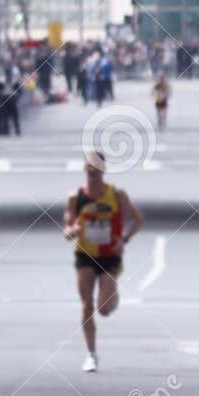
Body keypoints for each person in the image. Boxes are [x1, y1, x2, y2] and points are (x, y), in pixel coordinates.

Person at [63, 151, 145, 373]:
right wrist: (76, 229)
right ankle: (91, 354)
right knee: (87, 304)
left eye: (97, 167)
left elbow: (137, 219)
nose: (93, 171)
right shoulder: (76, 197)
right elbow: (66, 231)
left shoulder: (116, 194)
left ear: (104, 169)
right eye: (89, 167)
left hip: (109, 255)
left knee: (104, 309)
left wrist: (124, 239)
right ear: (84, 169)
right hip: (85, 254)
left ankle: (112, 291)